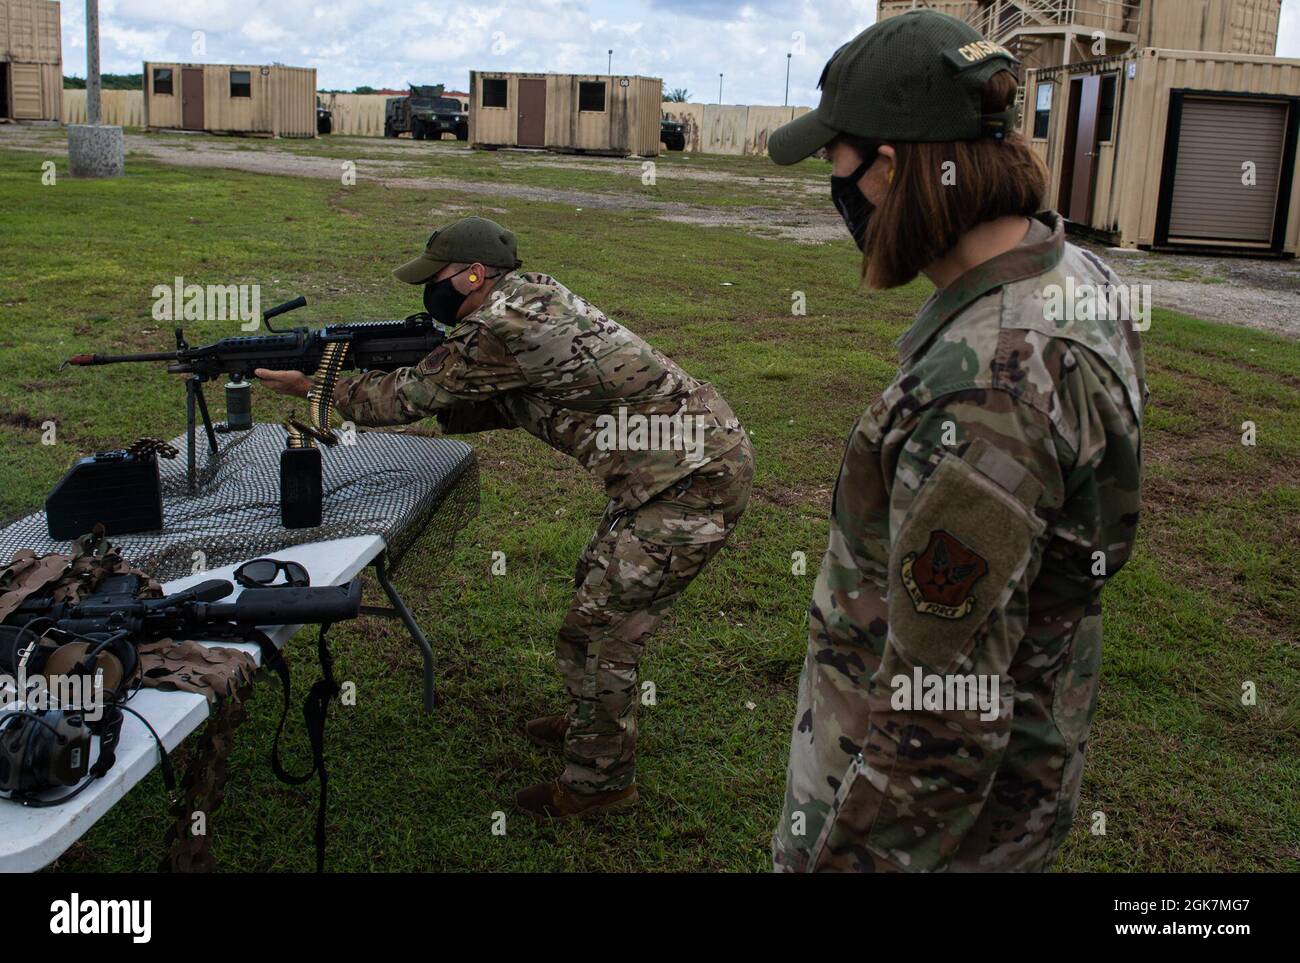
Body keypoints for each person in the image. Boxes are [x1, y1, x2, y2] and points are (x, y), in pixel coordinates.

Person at [765, 10, 1147, 871]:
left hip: (935, 828)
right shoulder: (1074, 272)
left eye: (837, 162)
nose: (836, 190)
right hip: (1024, 781)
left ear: (892, 167)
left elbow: (939, 722)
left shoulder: (983, 391)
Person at [256, 216, 753, 819]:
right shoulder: (530, 295)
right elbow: (500, 393)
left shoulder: (502, 327)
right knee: (592, 593)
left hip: (692, 481)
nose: (428, 292)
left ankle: (600, 785)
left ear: (473, 275)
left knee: (602, 631)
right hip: (671, 468)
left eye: (435, 279)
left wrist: (318, 387)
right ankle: (586, 721)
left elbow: (408, 398)